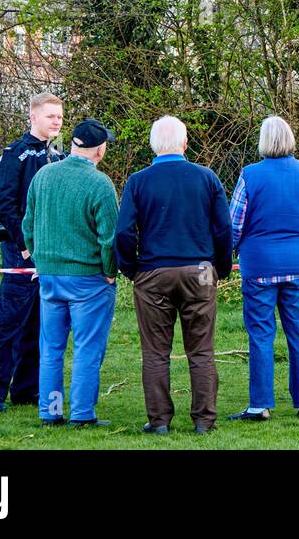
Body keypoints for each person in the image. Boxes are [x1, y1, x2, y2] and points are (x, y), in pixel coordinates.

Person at [115, 116, 232, 435]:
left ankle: (160, 420)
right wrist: (220, 268)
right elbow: (223, 230)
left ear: (153, 146)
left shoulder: (138, 181)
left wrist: (131, 269)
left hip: (153, 272)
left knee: (155, 351)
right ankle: (204, 421)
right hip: (201, 271)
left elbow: (124, 232)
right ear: (184, 143)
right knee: (202, 349)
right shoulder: (207, 178)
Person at [228, 115, 299, 422]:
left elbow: (234, 224)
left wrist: (232, 250)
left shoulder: (249, 175)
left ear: (263, 141)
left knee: (261, 333)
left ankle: (260, 405)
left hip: (258, 266)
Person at [23, 118, 120, 428]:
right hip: (88, 280)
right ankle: (81, 413)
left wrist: (41, 260)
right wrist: (110, 272)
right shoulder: (100, 184)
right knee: (87, 347)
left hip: (50, 277)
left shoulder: (43, 176)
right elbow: (109, 239)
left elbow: (28, 228)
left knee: (51, 348)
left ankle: (50, 412)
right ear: (100, 150)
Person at [0, 91, 64, 413]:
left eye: (59, 116)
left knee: (40, 322)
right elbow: (4, 205)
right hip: (20, 253)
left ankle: (26, 390)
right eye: (50, 116)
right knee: (11, 320)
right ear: (33, 117)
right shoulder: (14, 154)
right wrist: (26, 246)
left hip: (51, 254)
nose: (56, 121)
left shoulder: (58, 156)